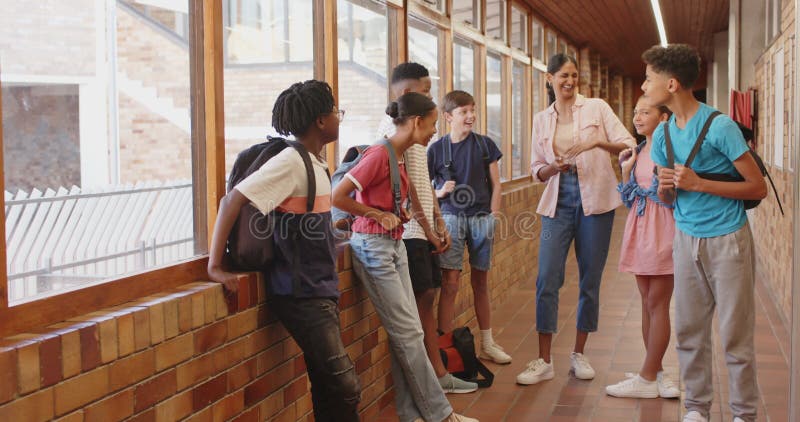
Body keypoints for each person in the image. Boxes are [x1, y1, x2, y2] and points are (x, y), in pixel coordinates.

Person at [206, 80, 360, 421]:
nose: (339, 117)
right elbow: (231, 201)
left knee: (327, 385)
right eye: (336, 112)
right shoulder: (291, 161)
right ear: (320, 120)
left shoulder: (315, 163)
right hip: (301, 293)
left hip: (319, 287)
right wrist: (214, 266)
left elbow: (304, 221)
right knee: (345, 384)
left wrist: (334, 229)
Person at [332, 92, 478, 422]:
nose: (434, 132)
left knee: (408, 335)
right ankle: (442, 416)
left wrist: (401, 214)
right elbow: (338, 196)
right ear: (415, 122)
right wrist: (376, 214)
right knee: (409, 335)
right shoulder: (378, 154)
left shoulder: (399, 155)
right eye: (432, 124)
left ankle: (411, 415)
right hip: (374, 249)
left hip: (394, 245)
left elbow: (391, 196)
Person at [642, 43, 766, 422]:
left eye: (649, 79)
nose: (644, 87)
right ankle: (696, 408)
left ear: (672, 84)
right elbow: (667, 198)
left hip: (728, 239)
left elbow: (757, 187)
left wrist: (699, 183)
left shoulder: (720, 127)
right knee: (689, 331)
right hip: (685, 240)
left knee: (734, 334)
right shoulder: (662, 135)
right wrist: (666, 188)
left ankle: (744, 413)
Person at [517, 53, 636, 386]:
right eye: (563, 76)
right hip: (557, 205)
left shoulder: (597, 108)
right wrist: (552, 167)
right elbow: (535, 170)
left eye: (573, 76)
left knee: (590, 280)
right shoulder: (541, 119)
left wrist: (598, 141)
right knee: (546, 278)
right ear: (550, 78)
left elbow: (629, 145)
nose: (569, 81)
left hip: (596, 204)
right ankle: (543, 360)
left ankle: (579, 354)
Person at [378, 64, 476, 394]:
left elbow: (425, 183)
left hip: (425, 231)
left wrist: (438, 222)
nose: (431, 97)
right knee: (420, 304)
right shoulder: (394, 132)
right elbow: (407, 192)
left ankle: (436, 372)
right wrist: (429, 229)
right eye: (426, 91)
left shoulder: (418, 132)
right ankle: (434, 376)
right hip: (409, 234)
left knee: (428, 298)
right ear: (407, 93)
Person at [427, 90, 511, 365]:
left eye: (472, 110)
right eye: (463, 111)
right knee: (450, 284)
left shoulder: (485, 145)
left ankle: (487, 343)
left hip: (481, 219)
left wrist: (494, 216)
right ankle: (446, 350)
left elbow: (496, 184)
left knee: (481, 282)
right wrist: (440, 192)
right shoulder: (436, 149)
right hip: (450, 218)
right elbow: (422, 190)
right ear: (448, 117)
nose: (470, 115)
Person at [604, 97, 680, 399]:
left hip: (663, 230)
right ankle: (655, 372)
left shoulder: (670, 151)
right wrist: (625, 172)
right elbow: (628, 198)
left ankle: (648, 376)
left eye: (645, 112)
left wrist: (660, 190)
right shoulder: (638, 150)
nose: (637, 117)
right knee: (647, 302)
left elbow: (674, 197)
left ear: (663, 118)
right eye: (635, 112)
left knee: (658, 303)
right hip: (640, 229)